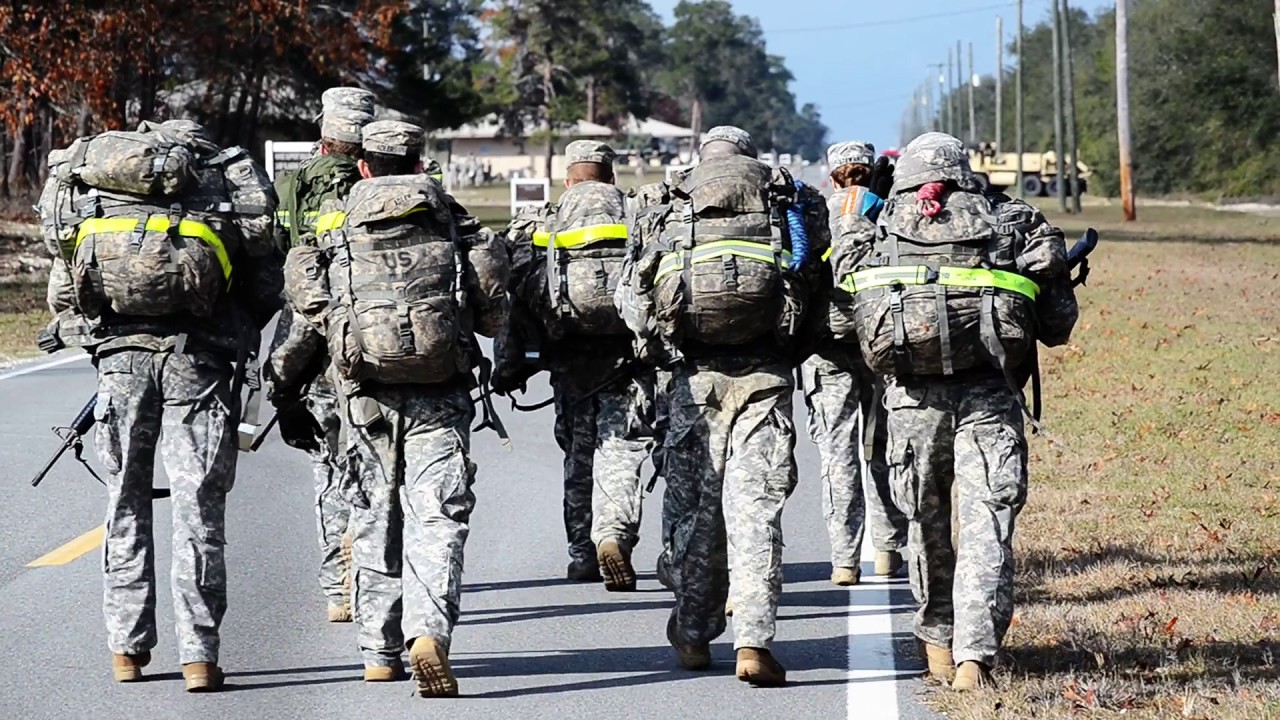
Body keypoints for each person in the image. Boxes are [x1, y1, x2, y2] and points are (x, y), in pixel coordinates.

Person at [36, 121, 280, 691]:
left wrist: (101, 338)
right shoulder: (221, 177)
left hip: (121, 365)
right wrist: (233, 330)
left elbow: (64, 290)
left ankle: (126, 650)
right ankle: (200, 657)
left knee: (124, 502)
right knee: (199, 509)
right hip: (199, 362)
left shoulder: (96, 184)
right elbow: (267, 278)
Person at [281, 120, 508, 696]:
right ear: (420, 164)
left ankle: (378, 652)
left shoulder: (336, 223)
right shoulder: (456, 223)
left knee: (372, 513)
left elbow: (308, 306)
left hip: (364, 395)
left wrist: (283, 381)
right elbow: (491, 315)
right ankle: (428, 632)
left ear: (364, 167)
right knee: (437, 516)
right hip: (441, 390)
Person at [845, 132, 1078, 689]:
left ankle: (937, 643)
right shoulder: (1014, 219)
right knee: (987, 522)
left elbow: (841, 317)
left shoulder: (876, 223)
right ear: (964, 170)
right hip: (990, 395)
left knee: (925, 523)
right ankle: (976, 655)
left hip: (911, 400)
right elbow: (1058, 325)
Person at [616, 126, 829, 687]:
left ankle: (692, 632)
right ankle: (753, 641)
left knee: (699, 513)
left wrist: (658, 347)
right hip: (767, 378)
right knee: (756, 512)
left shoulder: (665, 202)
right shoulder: (790, 201)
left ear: (701, 161)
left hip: (692, 383)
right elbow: (817, 286)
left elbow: (632, 303)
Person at [496, 140, 653, 590]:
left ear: (568, 181)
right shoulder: (639, 216)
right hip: (627, 361)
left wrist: (510, 366)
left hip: (570, 362)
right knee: (622, 449)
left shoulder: (543, 222)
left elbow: (516, 297)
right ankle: (614, 534)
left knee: (579, 453)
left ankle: (583, 554)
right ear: (611, 177)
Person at [266, 87, 374, 624]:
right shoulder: (386, 183)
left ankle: (338, 587)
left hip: (312, 344)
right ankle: (376, 570)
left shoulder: (292, 186)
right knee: (376, 466)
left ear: (323, 132)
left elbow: (275, 265)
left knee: (328, 467)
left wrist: (279, 378)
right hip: (375, 344)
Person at [802, 141, 908, 587]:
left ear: (832, 177)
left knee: (837, 454)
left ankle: (844, 559)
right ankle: (888, 549)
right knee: (885, 446)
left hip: (828, 347)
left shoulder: (817, 211)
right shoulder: (889, 209)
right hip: (881, 341)